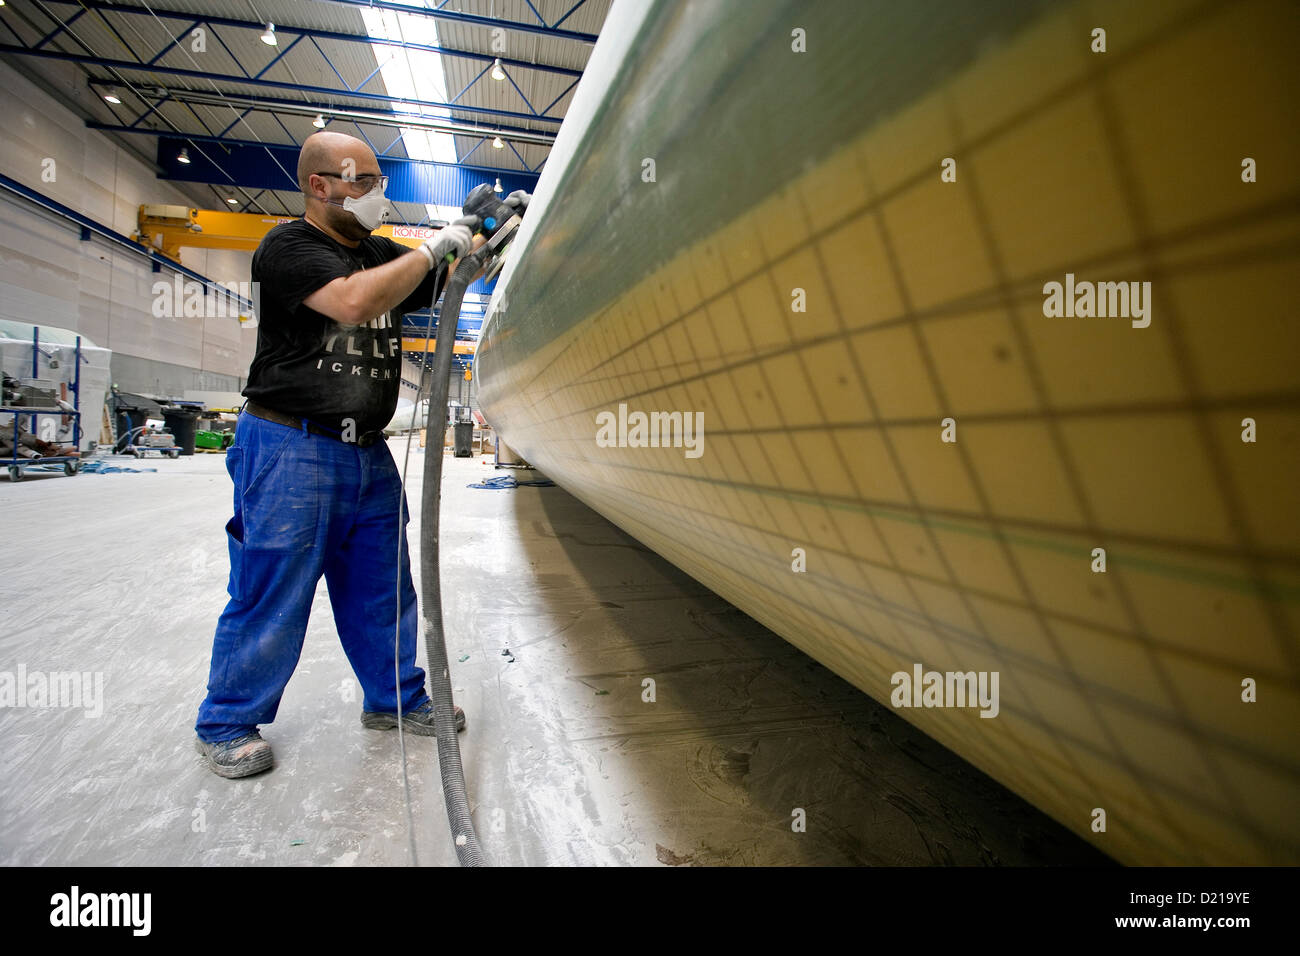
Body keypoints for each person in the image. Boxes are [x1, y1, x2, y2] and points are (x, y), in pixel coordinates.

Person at [194, 130, 480, 778]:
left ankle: (394, 701)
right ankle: (226, 722)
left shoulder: (378, 251)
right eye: (364, 181)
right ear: (319, 186)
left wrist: (482, 234)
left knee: (384, 588)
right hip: (292, 444)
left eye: (380, 181)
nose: (378, 194)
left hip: (366, 454)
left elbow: (439, 274)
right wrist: (440, 243)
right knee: (273, 590)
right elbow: (356, 302)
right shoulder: (289, 249)